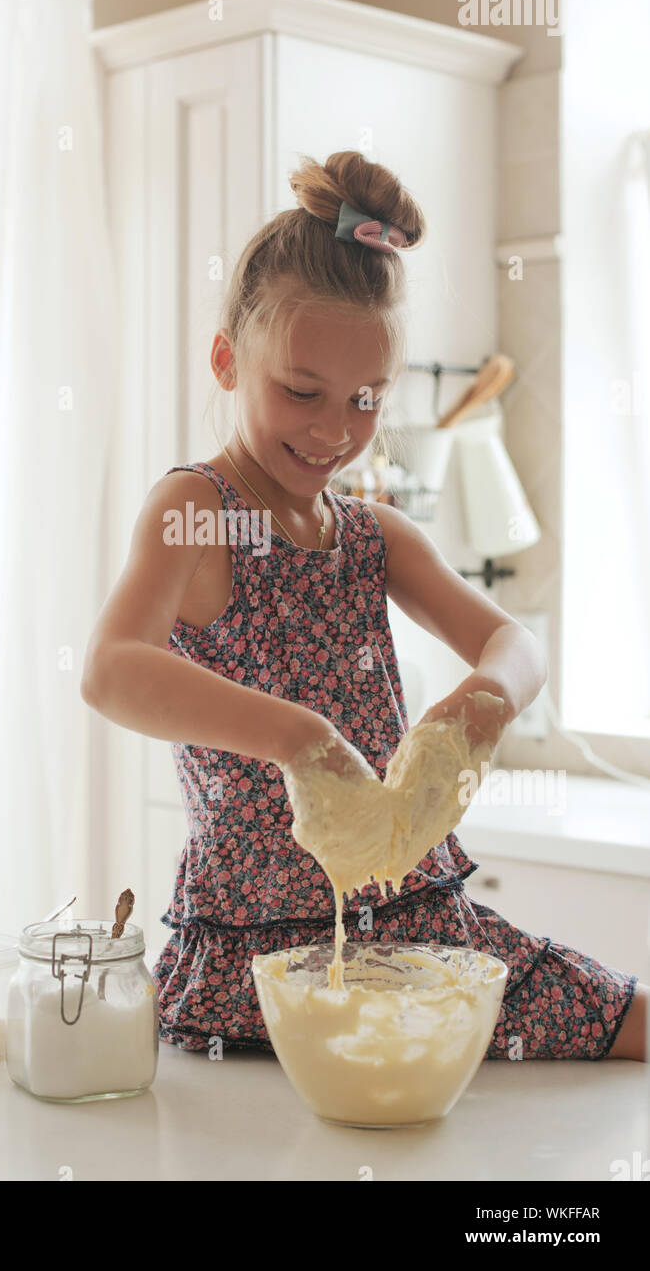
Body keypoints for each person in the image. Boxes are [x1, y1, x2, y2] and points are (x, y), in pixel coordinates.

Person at [81, 150, 645, 1062]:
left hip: (420, 925)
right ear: (228, 361)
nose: (334, 430)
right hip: (257, 957)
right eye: (300, 393)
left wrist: (484, 698)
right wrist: (299, 735)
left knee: (628, 1023)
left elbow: (516, 644)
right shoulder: (198, 513)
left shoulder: (373, 535)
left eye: (365, 401)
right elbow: (111, 672)